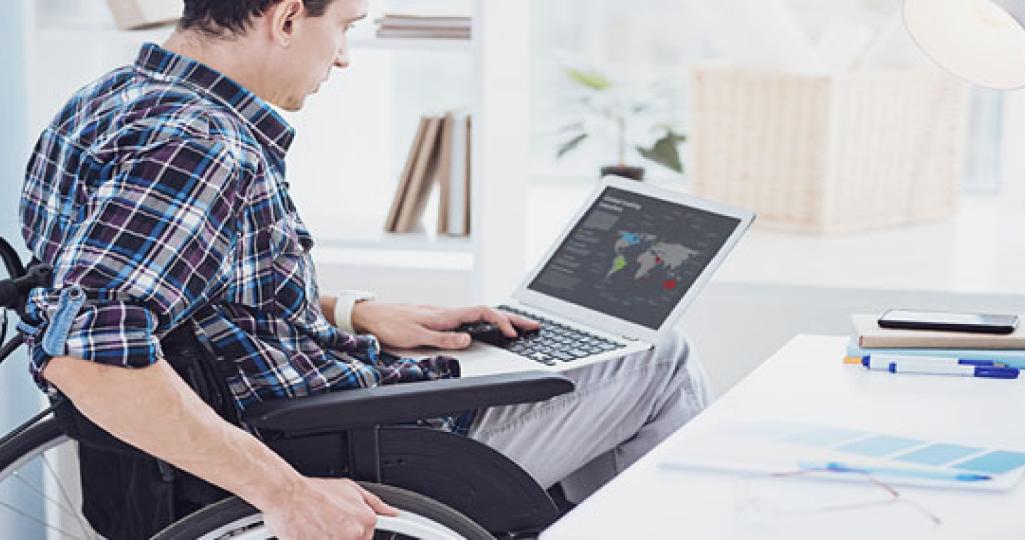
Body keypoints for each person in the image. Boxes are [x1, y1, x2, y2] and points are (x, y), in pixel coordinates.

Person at [17, 0, 709, 538]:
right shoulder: (201, 142)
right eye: (345, 27)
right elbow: (89, 355)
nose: (344, 57)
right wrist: (285, 493)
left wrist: (355, 313)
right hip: (334, 442)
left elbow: (179, 298)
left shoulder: (104, 102)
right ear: (287, 18)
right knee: (659, 360)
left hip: (292, 407)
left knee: (533, 364)